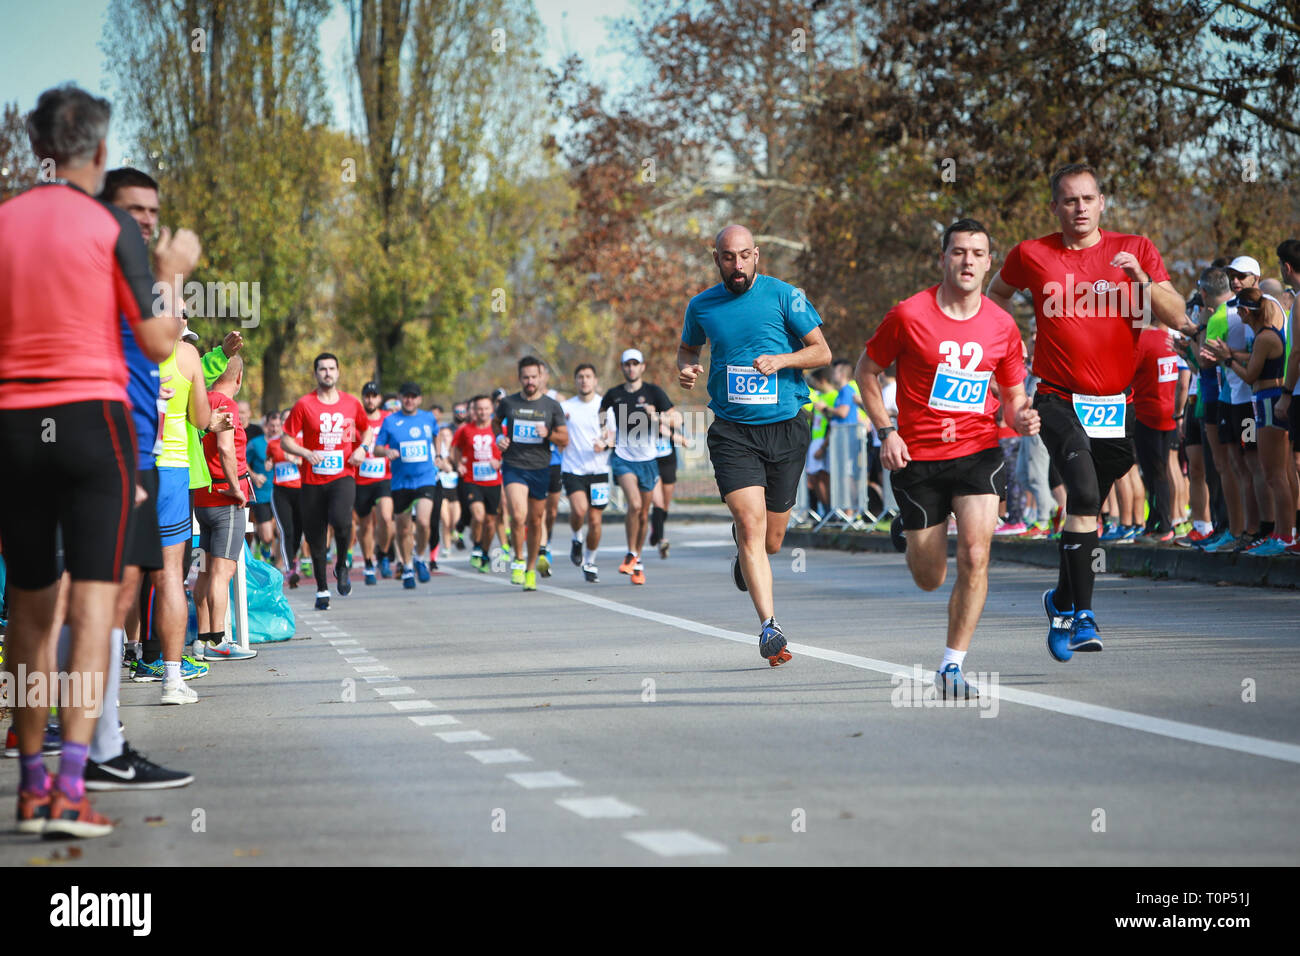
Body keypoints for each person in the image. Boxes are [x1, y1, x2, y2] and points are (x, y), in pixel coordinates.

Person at [1, 85, 198, 836]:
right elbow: (155, 343)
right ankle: (73, 789)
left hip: (14, 425)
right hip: (94, 426)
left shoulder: (6, 220)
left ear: (34, 148)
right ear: (102, 153)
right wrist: (172, 268)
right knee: (91, 606)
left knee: (27, 607)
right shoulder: (111, 225)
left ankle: (29, 788)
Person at [988, 163, 1194, 661]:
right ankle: (1082, 615)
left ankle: (1060, 599)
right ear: (1054, 207)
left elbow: (1175, 316)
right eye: (1069, 201)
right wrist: (1009, 352)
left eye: (1087, 199)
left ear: (1102, 202)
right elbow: (995, 298)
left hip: (1116, 406)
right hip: (1058, 397)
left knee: (1087, 511)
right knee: (1081, 493)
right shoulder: (1031, 254)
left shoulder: (1137, 249)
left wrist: (1143, 281)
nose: (1079, 209)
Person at [857, 219, 1036, 695]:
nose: (968, 261)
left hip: (978, 451)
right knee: (929, 577)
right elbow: (866, 372)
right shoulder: (909, 315)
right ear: (943, 258)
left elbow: (1015, 396)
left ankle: (951, 665)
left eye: (978, 253)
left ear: (989, 262)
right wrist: (886, 431)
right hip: (917, 458)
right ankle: (912, 533)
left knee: (976, 555)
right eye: (959, 252)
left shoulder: (1002, 325)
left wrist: (1022, 418)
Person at [677, 224, 831, 664]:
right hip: (732, 432)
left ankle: (747, 557)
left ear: (757, 255)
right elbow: (688, 350)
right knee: (750, 525)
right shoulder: (702, 305)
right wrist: (686, 369)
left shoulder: (786, 296)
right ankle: (769, 628)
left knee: (773, 540)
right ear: (716, 259)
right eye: (729, 257)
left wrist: (783, 359)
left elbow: (822, 351)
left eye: (745, 255)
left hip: (785, 427)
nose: (737, 265)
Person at [1203, 287, 1295, 554]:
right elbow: (1254, 362)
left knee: (1273, 473)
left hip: (1267, 400)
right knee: (1268, 472)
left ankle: (1282, 533)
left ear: (1245, 312)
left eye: (1239, 310)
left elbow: (1251, 375)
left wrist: (1228, 360)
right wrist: (1230, 355)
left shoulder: (1265, 336)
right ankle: (1278, 532)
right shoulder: (1263, 335)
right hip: (1261, 401)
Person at [280, 354, 373, 610]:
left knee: (342, 522)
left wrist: (363, 448)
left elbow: (367, 430)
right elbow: (286, 438)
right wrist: (304, 452)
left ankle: (342, 563)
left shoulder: (352, 404)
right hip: (312, 480)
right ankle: (322, 590)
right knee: (316, 537)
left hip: (343, 475)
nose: (327, 373)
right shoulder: (304, 404)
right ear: (316, 373)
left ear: (338, 372)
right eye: (322, 369)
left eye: (332, 368)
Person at [192, 356, 258, 660]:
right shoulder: (226, 404)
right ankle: (219, 641)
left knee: (204, 570)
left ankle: (203, 638)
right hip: (224, 496)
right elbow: (225, 447)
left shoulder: (201, 401)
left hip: (202, 497)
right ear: (239, 377)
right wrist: (234, 487)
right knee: (223, 570)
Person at [600, 348, 675, 585]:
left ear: (642, 366)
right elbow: (602, 412)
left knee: (643, 514)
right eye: (627, 364)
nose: (631, 368)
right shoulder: (614, 394)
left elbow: (676, 418)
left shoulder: (653, 393)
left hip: (648, 461)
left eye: (635, 364)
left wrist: (659, 418)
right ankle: (631, 553)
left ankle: (637, 559)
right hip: (623, 458)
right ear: (622, 368)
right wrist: (605, 431)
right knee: (633, 504)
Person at [494, 357, 568, 591]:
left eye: (534, 377)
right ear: (519, 378)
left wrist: (548, 434)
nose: (530, 381)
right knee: (517, 515)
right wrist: (499, 438)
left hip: (540, 467)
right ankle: (517, 559)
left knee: (536, 520)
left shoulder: (551, 406)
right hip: (514, 465)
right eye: (525, 377)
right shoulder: (508, 403)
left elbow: (564, 439)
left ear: (541, 377)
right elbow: (496, 423)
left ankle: (530, 568)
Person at [373, 382, 441, 588]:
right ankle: (408, 567)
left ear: (419, 399)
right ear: (401, 398)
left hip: (425, 478)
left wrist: (438, 455)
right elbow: (376, 449)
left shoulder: (428, 418)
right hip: (401, 482)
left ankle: (420, 557)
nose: (409, 400)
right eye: (406, 396)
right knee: (402, 529)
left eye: (414, 396)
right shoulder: (390, 421)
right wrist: (386, 452)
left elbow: (436, 435)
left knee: (423, 522)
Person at [560, 364, 612, 582]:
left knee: (596, 520)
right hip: (573, 469)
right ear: (575, 381)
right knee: (579, 510)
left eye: (588, 377)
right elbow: (555, 432)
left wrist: (605, 443)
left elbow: (616, 437)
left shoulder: (605, 407)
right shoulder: (565, 408)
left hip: (599, 470)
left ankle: (590, 562)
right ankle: (576, 537)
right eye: (580, 377)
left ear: (595, 380)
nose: (584, 381)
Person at [1130, 324, 1180, 540]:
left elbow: (1125, 372)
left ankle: (1163, 526)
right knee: (1161, 471)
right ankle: (1156, 523)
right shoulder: (1168, 338)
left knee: (1154, 473)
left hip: (1147, 413)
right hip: (1169, 412)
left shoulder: (1143, 340)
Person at [449, 394, 504, 573]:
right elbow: (455, 449)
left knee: (490, 522)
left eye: (486, 408)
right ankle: (478, 547)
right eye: (479, 409)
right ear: (474, 410)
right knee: (478, 516)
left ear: (492, 410)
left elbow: (510, 450)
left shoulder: (500, 430)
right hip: (472, 480)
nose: (482, 412)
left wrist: (500, 462)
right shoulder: (465, 430)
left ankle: (485, 553)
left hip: (493, 480)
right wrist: (458, 464)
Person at [354, 381, 395, 586]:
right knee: (365, 525)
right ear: (363, 398)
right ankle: (369, 563)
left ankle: (384, 555)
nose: (370, 399)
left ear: (380, 399)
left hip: (383, 478)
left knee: (386, 518)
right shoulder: (355, 419)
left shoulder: (388, 419)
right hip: (361, 480)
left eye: (374, 395)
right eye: (367, 395)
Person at [267, 410, 306, 585]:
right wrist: (268, 464)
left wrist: (297, 460)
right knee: (286, 531)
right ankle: (290, 568)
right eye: (284, 420)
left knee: (299, 531)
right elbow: (269, 461)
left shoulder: (303, 442)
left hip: (301, 491)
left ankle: (293, 558)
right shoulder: (274, 443)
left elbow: (312, 461)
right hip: (281, 492)